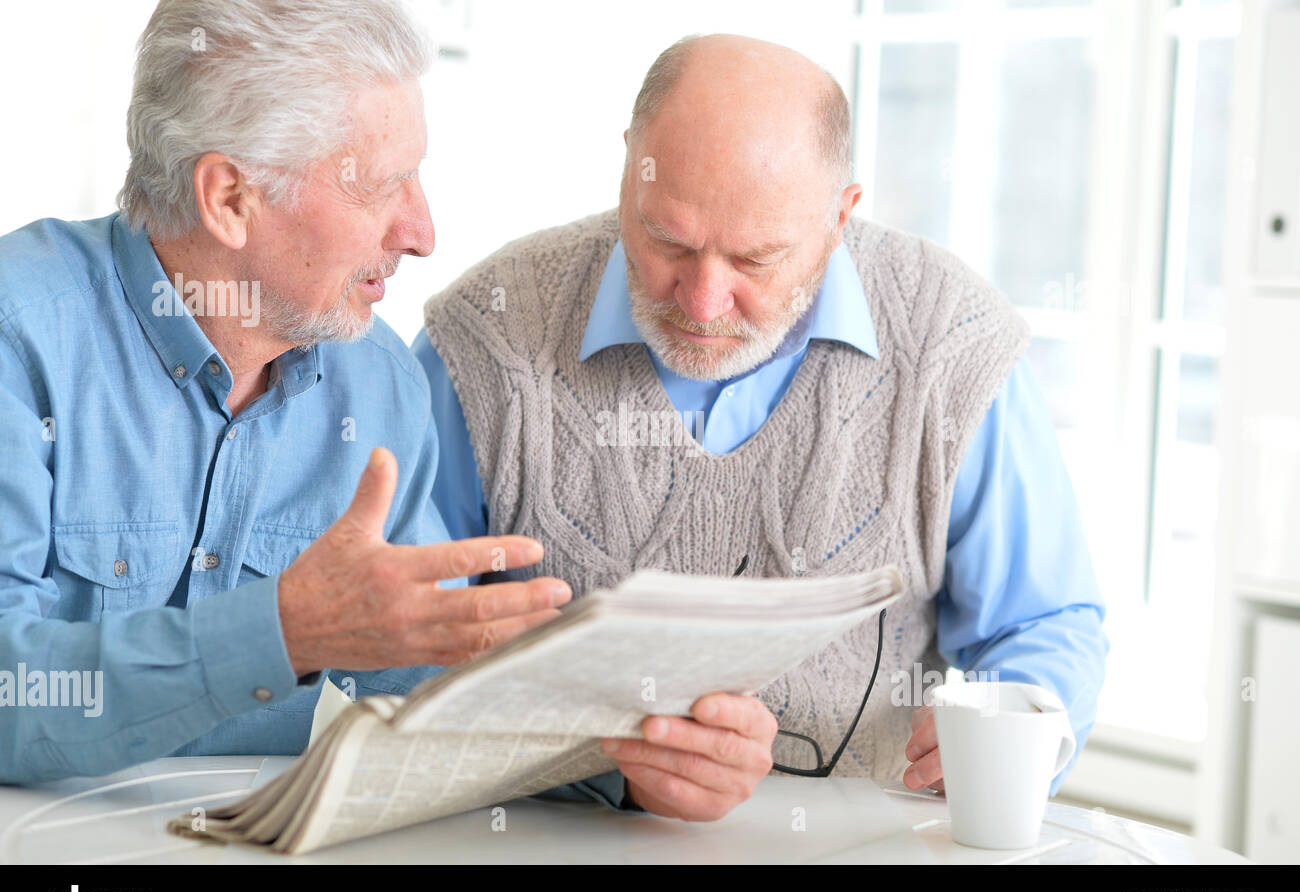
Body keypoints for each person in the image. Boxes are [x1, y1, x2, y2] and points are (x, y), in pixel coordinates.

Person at [413, 33, 1109, 820]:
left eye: (756, 260)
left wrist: (1020, 717)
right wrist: (603, 767)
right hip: (546, 838)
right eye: (668, 241)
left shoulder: (952, 347)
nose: (703, 301)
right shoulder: (484, 341)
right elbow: (403, 660)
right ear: (628, 169)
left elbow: (1046, 620)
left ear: (840, 215)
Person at [0, 0, 578, 785]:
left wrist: (619, 754)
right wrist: (283, 631)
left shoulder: (381, 384)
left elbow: (429, 692)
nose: (422, 231)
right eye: (382, 185)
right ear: (229, 198)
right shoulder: (20, 333)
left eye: (418, 175)